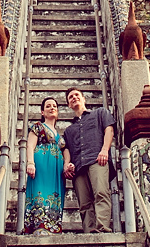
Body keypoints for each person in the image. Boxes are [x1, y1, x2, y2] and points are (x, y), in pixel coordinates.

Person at [61, 88, 115, 232]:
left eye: (77, 95)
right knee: (84, 203)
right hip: (79, 167)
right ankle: (89, 231)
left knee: (101, 193)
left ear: (84, 99)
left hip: (97, 158)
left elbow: (109, 130)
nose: (74, 98)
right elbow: (65, 148)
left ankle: (103, 228)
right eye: (71, 97)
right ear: (69, 105)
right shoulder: (69, 130)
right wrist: (67, 164)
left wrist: (104, 150)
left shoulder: (100, 113)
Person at [24, 98, 65, 234]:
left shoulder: (59, 135)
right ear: (42, 112)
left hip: (56, 171)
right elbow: (30, 145)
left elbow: (66, 150)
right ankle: (37, 227)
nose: (52, 108)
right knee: (39, 193)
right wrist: (30, 163)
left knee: (54, 197)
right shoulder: (38, 127)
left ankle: (52, 228)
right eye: (48, 106)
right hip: (41, 166)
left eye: (54, 106)